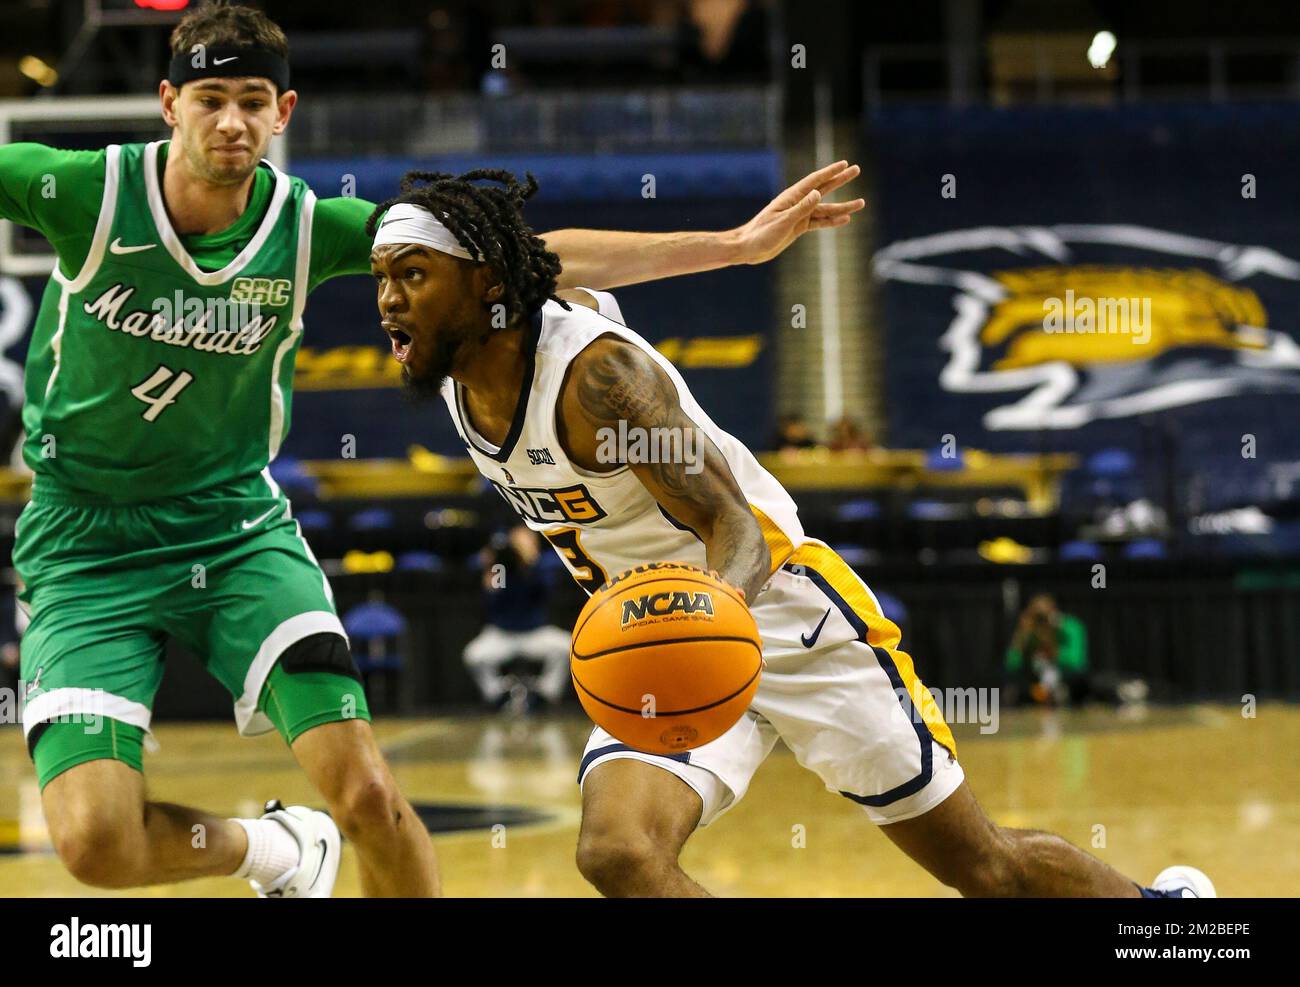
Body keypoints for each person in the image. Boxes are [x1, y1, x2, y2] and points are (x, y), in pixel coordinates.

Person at [0, 0, 863, 898]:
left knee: (370, 794)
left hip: (230, 529)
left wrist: (731, 245)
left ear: (283, 113)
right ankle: (280, 851)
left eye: (253, 99)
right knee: (94, 844)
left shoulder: (309, 228)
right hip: (83, 545)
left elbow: (524, 257)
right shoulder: (83, 192)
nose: (232, 120)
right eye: (211, 98)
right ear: (168, 103)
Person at [367, 168, 1216, 899]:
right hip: (655, 635)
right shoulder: (450, 359)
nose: (389, 299)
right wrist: (735, 243)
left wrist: (707, 622)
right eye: (382, 278)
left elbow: (733, 523)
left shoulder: (597, 378)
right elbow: (549, 251)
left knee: (985, 869)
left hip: (778, 611)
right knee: (618, 852)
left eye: (412, 273)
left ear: (483, 283)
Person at [464, 526, 571, 711]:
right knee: (474, 655)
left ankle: (544, 695)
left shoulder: (539, 566)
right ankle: (499, 695)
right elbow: (494, 598)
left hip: (534, 632)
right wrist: (493, 567)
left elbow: (544, 591)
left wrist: (530, 563)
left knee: (568, 647)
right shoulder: (501, 566)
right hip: (502, 634)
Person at [1005, 594, 1089, 706]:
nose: (1041, 624)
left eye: (1044, 619)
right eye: (1038, 619)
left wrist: (1055, 652)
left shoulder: (1070, 627)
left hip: (1066, 680)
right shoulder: (1029, 632)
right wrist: (1021, 638)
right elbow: (1011, 665)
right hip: (1034, 684)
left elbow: (1077, 662)